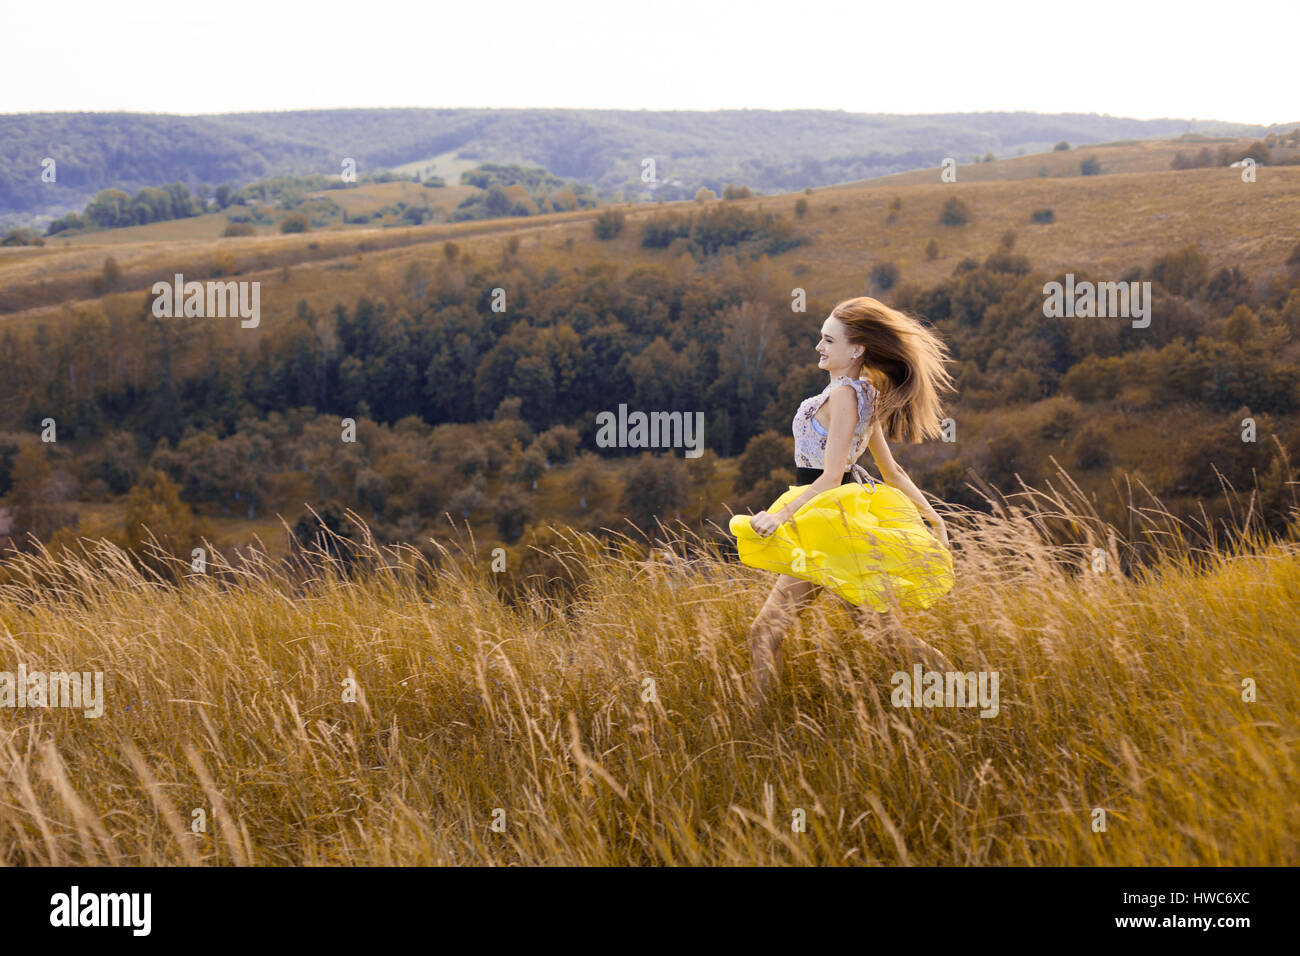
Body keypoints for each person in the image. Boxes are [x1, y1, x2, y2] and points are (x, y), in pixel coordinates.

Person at [728, 296, 958, 704]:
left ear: (856, 350)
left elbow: (832, 476)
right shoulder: (862, 394)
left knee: (765, 633)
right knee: (883, 635)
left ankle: (756, 729)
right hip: (832, 523)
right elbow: (893, 472)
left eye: (828, 340)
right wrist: (934, 520)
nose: (819, 346)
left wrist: (778, 514)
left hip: (826, 525)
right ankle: (957, 688)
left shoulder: (846, 397)